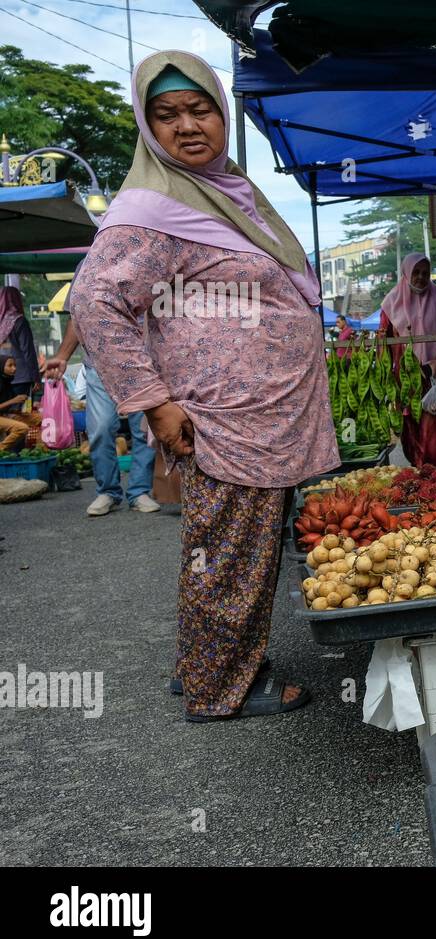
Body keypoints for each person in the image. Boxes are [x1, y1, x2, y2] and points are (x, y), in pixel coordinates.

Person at [70, 51, 337, 722]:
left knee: (222, 551)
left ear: (223, 114)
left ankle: (204, 667)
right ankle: (224, 689)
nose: (187, 126)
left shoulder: (221, 194)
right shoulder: (149, 208)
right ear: (146, 125)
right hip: (226, 418)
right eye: (166, 115)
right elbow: (95, 301)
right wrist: (152, 401)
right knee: (232, 558)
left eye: (200, 109)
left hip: (261, 416)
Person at [43, 321, 159, 516]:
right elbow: (76, 314)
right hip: (99, 363)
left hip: (143, 361)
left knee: (143, 429)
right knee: (101, 428)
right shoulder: (82, 288)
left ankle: (139, 491)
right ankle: (108, 492)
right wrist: (62, 356)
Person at [380, 253, 436, 468]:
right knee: (411, 424)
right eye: (416, 272)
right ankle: (418, 468)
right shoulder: (390, 304)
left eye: (425, 273)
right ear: (406, 273)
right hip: (406, 379)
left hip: (435, 376)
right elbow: (383, 342)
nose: (421, 277)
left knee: (433, 425)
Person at [0, 353, 30, 453]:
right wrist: (14, 400)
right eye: (10, 366)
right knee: (22, 428)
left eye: (15, 365)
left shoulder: (6, 381)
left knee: (37, 418)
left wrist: (15, 411)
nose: (14, 369)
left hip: (4, 415)